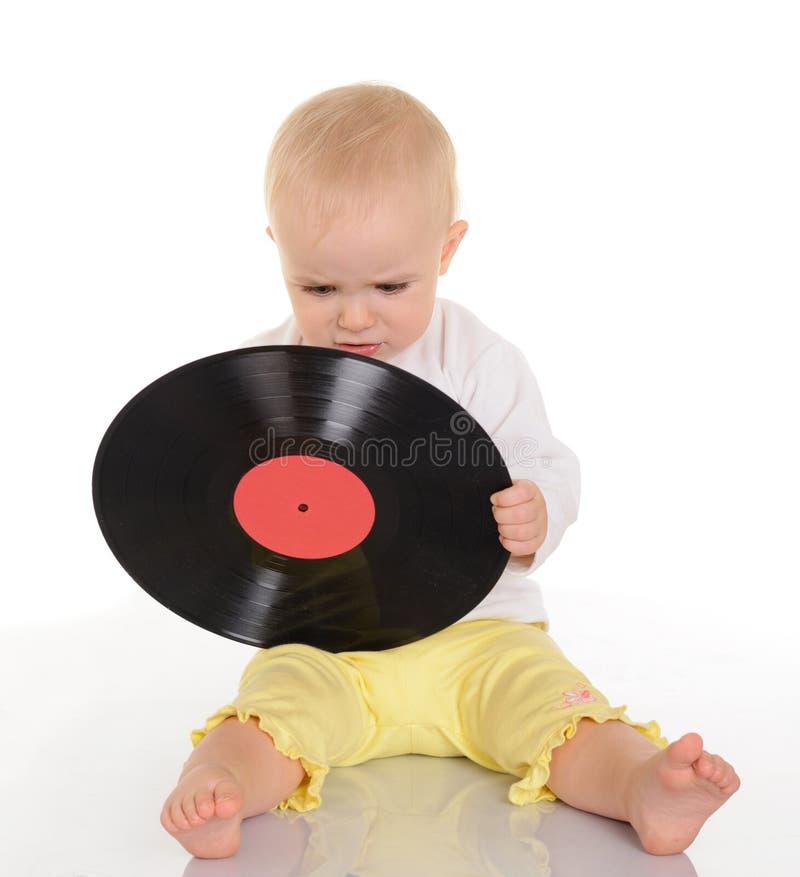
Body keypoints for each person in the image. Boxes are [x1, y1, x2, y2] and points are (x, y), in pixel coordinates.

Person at [159, 82, 739, 859]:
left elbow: (542, 458)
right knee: (273, 704)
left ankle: (641, 785)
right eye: (318, 286)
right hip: (331, 645)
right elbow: (225, 506)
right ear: (278, 250)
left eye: (390, 286)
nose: (353, 316)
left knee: (555, 707)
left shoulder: (480, 361)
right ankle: (221, 783)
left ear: (446, 249)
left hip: (481, 637)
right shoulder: (262, 378)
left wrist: (538, 506)